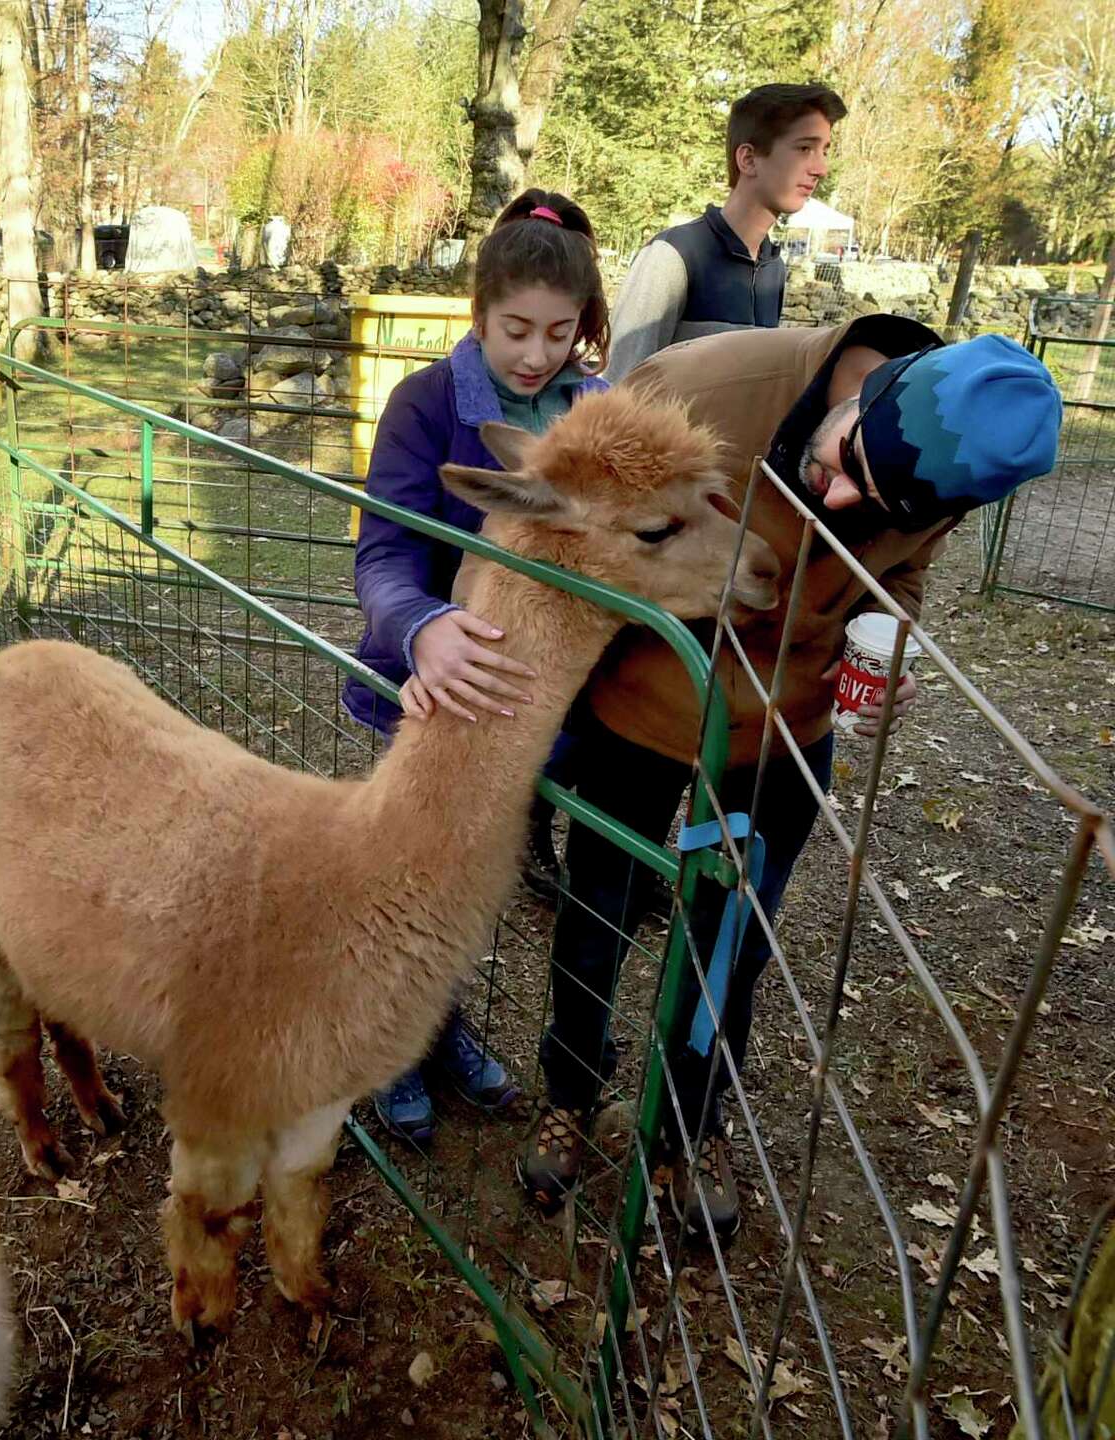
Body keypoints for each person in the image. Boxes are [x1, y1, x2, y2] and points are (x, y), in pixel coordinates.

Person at [516, 319, 1063, 1239]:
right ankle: (571, 1091)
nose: (840, 497)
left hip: (783, 733)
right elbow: (566, 521)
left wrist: (889, 644)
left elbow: (903, 579)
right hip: (647, 704)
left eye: (876, 504)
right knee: (598, 907)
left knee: (734, 935)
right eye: (847, 460)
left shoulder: (947, 477)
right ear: (878, 388)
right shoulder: (703, 388)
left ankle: (691, 1122)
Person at [342, 188, 612, 1146]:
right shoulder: (425, 404)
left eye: (559, 332)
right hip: (435, 682)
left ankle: (439, 1027)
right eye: (516, 331)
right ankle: (394, 1048)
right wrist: (420, 626)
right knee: (407, 881)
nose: (537, 355)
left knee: (470, 887)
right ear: (480, 314)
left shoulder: (596, 411)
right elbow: (383, 550)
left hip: (538, 707)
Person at [604, 83, 848, 383]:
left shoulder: (774, 269)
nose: (821, 168)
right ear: (748, 159)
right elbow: (617, 386)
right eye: (804, 148)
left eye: (824, 151)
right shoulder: (672, 256)